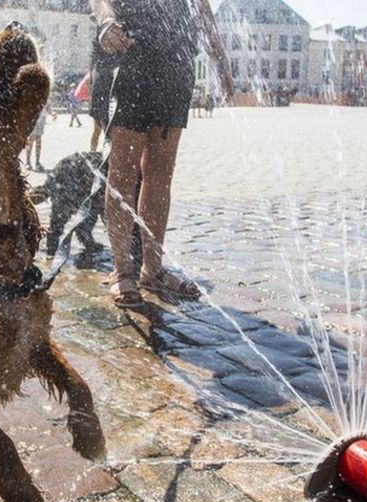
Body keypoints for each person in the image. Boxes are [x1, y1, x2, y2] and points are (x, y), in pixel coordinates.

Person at [92, 0, 232, 308]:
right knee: (124, 171)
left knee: (160, 172)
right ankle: (122, 269)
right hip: (129, 49)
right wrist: (106, 22)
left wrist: (220, 57)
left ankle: (152, 269)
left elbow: (202, 7)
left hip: (175, 56)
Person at [26, 105, 55, 171]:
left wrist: (53, 113)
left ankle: (37, 163)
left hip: (41, 121)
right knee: (30, 141)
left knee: (38, 142)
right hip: (33, 120)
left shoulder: (44, 97)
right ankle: (28, 162)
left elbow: (48, 107)